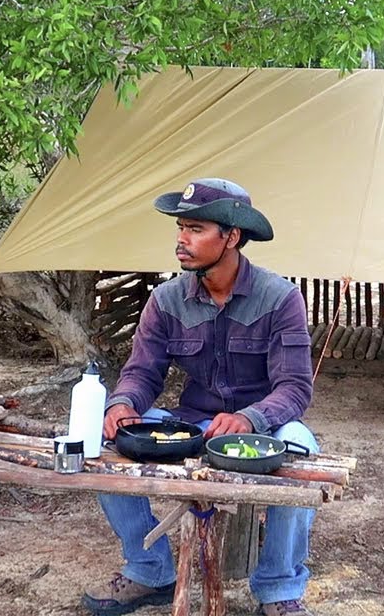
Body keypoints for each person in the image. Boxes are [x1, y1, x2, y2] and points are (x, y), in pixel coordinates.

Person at [82, 178, 318, 616]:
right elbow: (140, 372)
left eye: (195, 229)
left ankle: (279, 589)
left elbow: (295, 388)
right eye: (180, 228)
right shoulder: (166, 300)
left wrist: (251, 417)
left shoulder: (280, 298)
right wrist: (122, 405)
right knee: (102, 441)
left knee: (303, 447)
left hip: (261, 427)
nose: (181, 239)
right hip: (191, 422)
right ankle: (149, 569)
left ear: (231, 237)